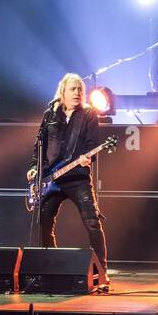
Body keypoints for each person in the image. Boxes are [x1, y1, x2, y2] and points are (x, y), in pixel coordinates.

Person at [27, 73, 109, 283]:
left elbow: (93, 146)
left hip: (77, 178)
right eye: (73, 89)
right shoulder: (50, 115)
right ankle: (51, 266)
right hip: (50, 179)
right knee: (43, 224)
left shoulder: (89, 115)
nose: (77, 93)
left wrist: (87, 158)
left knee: (92, 222)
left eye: (80, 89)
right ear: (62, 92)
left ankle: (101, 270)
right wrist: (34, 167)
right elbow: (39, 145)